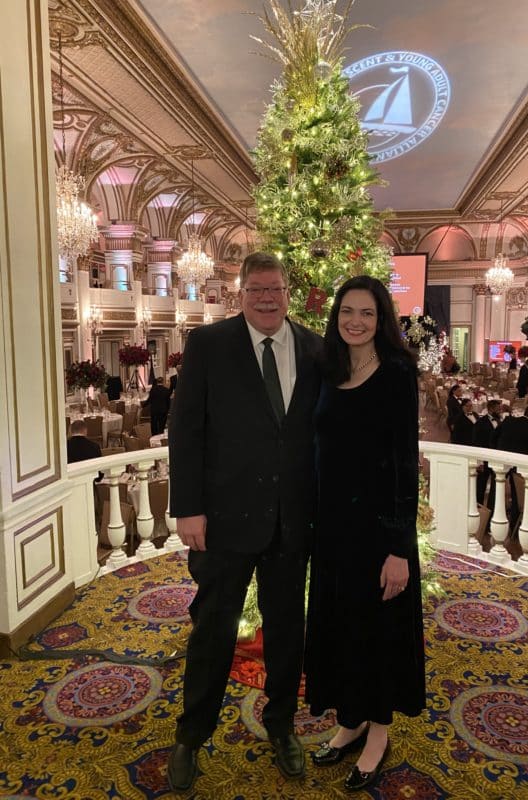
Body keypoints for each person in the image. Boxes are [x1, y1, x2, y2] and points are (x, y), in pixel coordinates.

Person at [167, 252, 322, 793]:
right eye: (256, 289)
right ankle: (192, 735)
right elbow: (186, 431)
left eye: (275, 288)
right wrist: (187, 507)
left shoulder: (314, 347)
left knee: (287, 633)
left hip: (291, 524)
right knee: (212, 631)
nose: (266, 298)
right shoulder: (208, 346)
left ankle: (281, 727)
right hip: (222, 523)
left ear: (287, 293)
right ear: (240, 293)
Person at [304, 276, 425, 794]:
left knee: (376, 634)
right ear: (336, 316)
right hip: (333, 531)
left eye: (368, 313)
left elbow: (403, 463)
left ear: (382, 320)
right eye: (347, 311)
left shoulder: (398, 373)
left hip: (379, 532)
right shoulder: (327, 369)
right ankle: (350, 719)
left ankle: (377, 733)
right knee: (341, 628)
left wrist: (399, 548)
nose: (356, 321)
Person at [496, 404, 528, 531]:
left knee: (496, 489)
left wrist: (496, 451)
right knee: (516, 493)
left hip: (502, 458)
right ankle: (514, 523)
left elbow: (495, 435)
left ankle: (491, 514)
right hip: (519, 465)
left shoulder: (510, 421)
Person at [473, 399, 502, 508]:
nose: (499, 410)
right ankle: (478, 507)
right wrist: (479, 461)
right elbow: (476, 442)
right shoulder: (480, 423)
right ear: (491, 409)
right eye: (498, 409)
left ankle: (491, 508)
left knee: (495, 486)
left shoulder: (499, 421)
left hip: (496, 459)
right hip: (484, 458)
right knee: (481, 485)